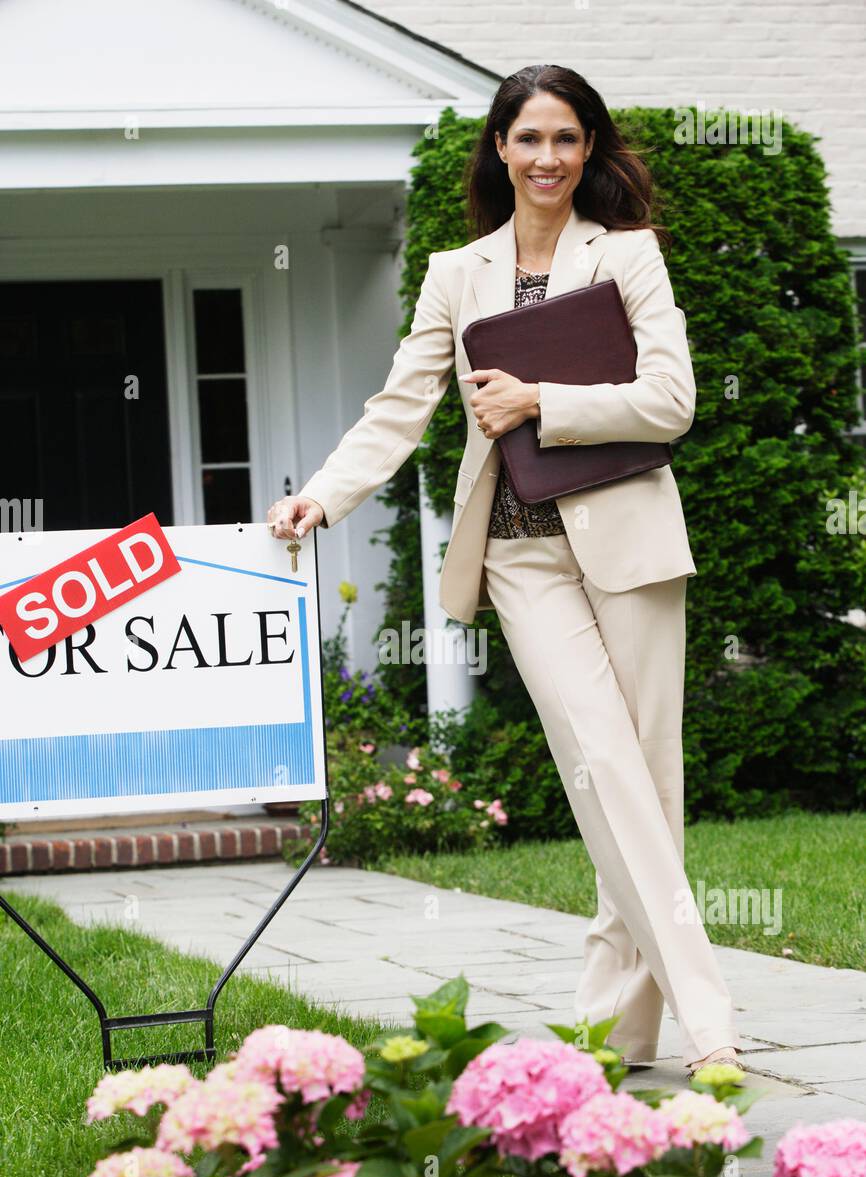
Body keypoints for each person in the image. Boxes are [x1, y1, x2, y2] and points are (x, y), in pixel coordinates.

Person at [268, 64, 743, 1076]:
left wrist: (540, 401)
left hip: (631, 546)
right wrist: (324, 493)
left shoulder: (628, 257)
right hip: (522, 556)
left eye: (565, 139)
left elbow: (671, 401)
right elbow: (400, 408)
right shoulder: (456, 273)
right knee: (602, 769)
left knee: (645, 789)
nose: (546, 158)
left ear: (588, 150)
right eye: (528, 138)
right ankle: (713, 1025)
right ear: (498, 147)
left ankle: (617, 1036)